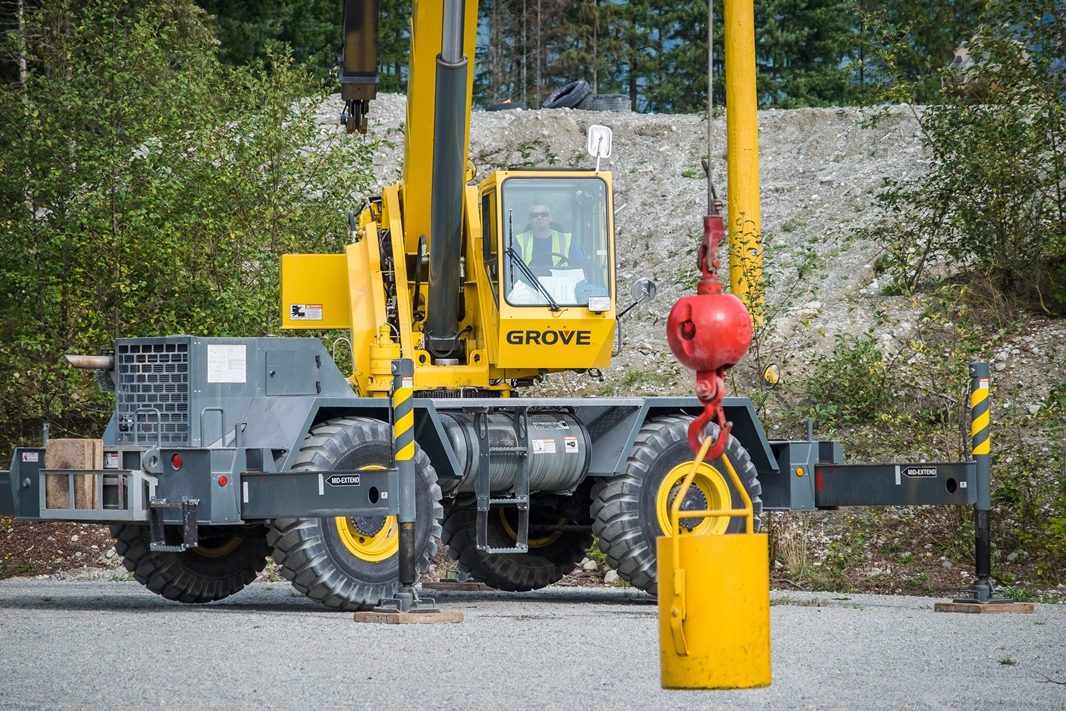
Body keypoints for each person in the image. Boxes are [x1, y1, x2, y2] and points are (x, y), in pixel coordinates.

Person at [512, 203, 589, 276]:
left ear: (549, 218)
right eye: (535, 215)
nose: (539, 217)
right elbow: (511, 268)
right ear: (529, 220)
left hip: (561, 286)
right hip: (528, 286)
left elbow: (580, 267)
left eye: (543, 214)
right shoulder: (520, 241)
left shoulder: (567, 240)